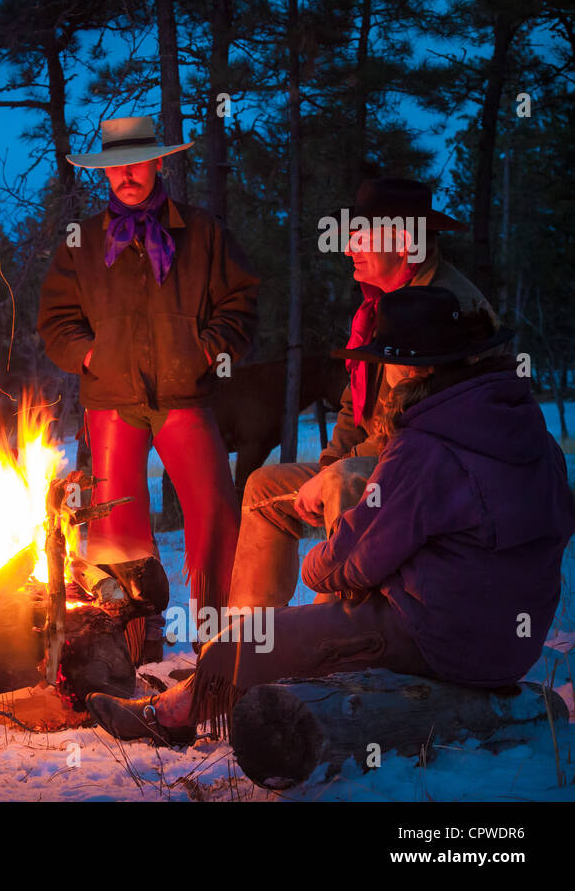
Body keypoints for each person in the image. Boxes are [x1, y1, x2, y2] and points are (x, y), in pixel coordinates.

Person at [86, 286, 573, 744]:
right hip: (510, 646)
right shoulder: (533, 436)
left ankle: (166, 715)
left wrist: (314, 562)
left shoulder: (424, 448)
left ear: (414, 371)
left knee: (244, 642)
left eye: (389, 366)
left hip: (439, 638)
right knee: (289, 625)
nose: (387, 377)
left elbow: (352, 561)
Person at [38, 115, 260, 659]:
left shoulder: (203, 232)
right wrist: (92, 354)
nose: (126, 174)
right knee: (116, 529)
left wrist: (208, 350)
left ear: (159, 162)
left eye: (136, 163)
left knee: (215, 516)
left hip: (185, 394)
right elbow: (56, 319)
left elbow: (242, 304)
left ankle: (219, 643)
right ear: (104, 173)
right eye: (115, 167)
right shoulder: (82, 240)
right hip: (111, 398)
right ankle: (132, 649)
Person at [229, 177, 498, 611]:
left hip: (438, 474)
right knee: (264, 490)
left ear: (405, 242)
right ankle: (248, 645)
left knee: (345, 483)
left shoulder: (441, 310)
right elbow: (356, 406)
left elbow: (410, 433)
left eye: (362, 236)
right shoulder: (380, 304)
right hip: (385, 457)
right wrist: (331, 460)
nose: (349, 247)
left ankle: (330, 643)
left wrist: (337, 472)